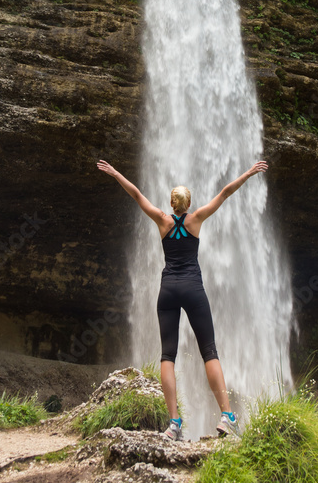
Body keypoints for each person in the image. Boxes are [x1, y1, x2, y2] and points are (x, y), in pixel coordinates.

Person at [96, 158, 268, 440]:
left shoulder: (162, 220)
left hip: (168, 290)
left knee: (168, 355)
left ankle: (174, 423)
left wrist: (115, 173)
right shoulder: (196, 219)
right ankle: (227, 415)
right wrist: (249, 173)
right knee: (208, 350)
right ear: (188, 204)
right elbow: (225, 192)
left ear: (172, 203)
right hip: (192, 287)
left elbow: (137, 194)